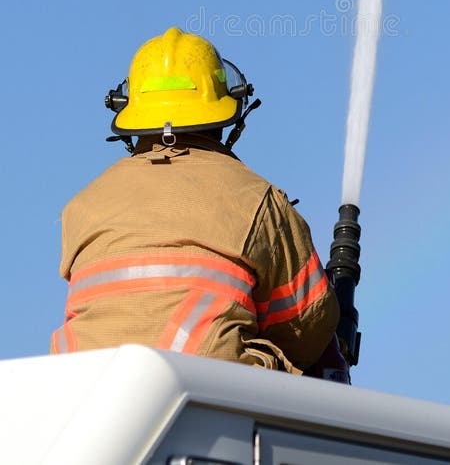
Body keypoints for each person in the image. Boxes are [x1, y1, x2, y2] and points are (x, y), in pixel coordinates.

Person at [50, 26, 339, 374]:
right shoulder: (259, 203)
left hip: (78, 399)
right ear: (225, 112)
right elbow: (309, 333)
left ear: (132, 112)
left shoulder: (81, 207)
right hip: (211, 406)